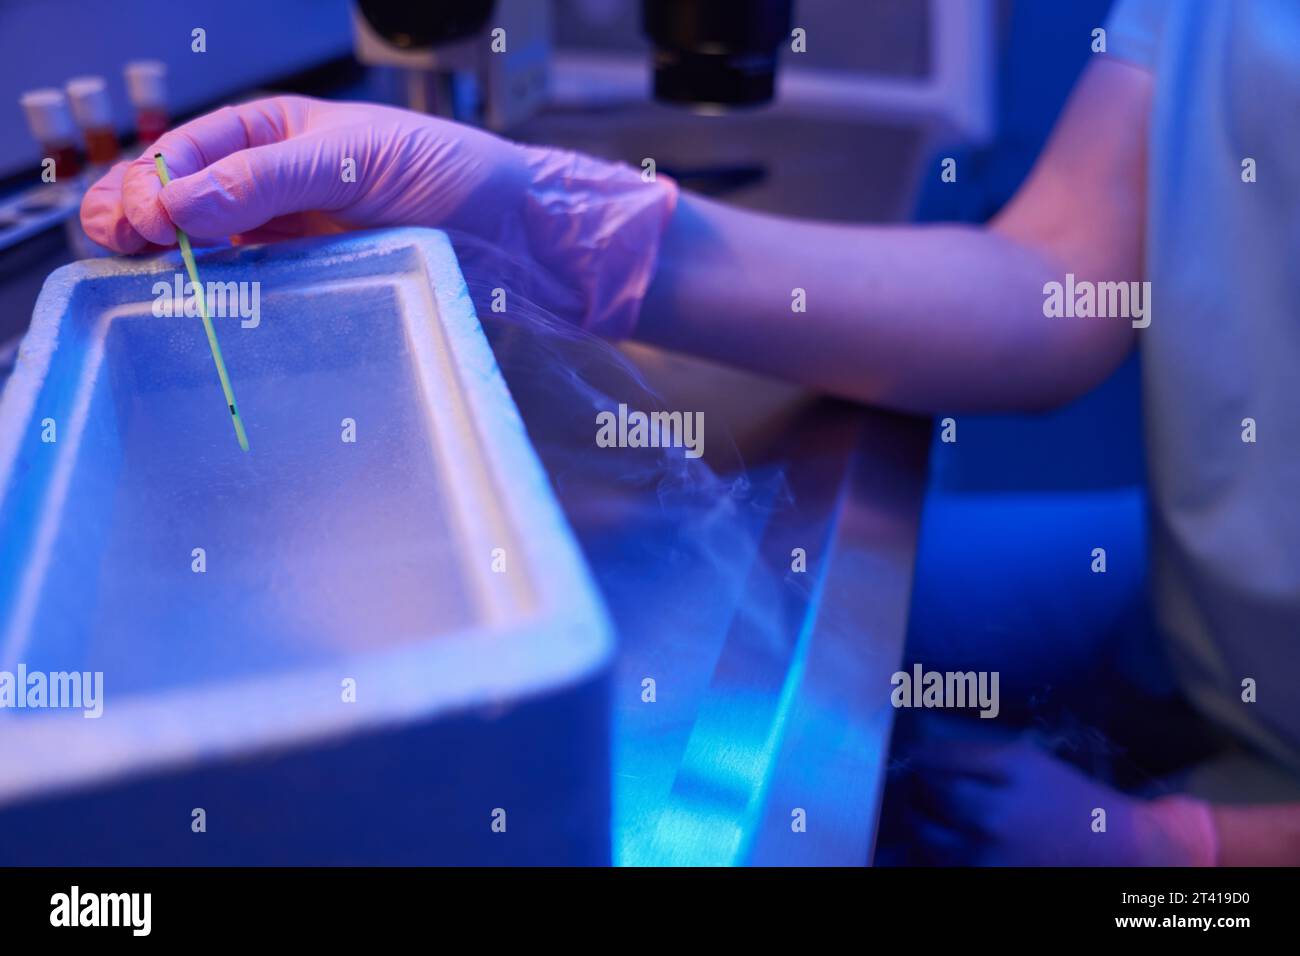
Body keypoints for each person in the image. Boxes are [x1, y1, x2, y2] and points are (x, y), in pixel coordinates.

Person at [81, 0, 1298, 865]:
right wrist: (536, 215)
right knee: (765, 644)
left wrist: (1172, 842)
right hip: (1206, 601)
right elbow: (1052, 280)